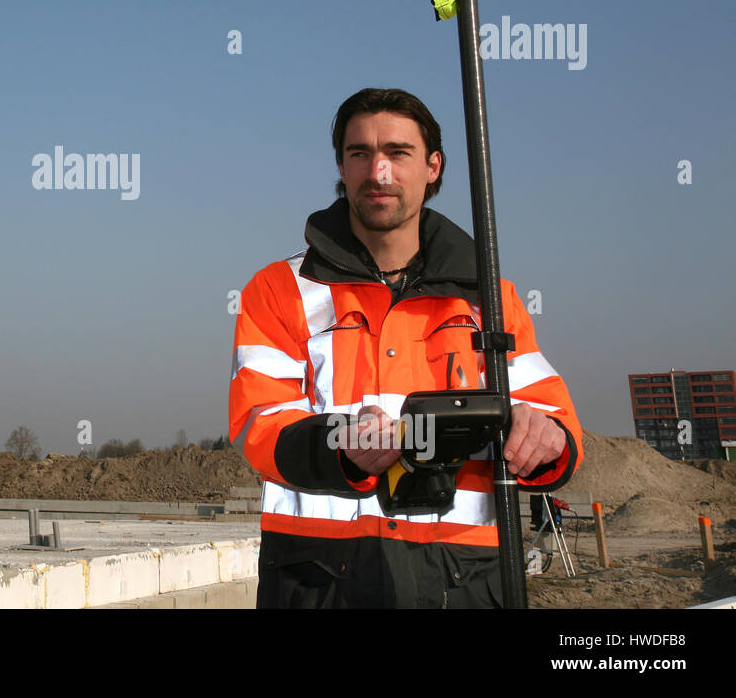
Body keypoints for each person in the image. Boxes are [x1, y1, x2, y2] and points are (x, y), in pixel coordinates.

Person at [229, 87, 582, 608]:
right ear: (342, 168)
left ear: (433, 166)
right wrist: (340, 448)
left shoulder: (491, 297)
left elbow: (554, 419)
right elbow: (258, 423)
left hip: (465, 579)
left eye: (398, 152)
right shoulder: (278, 289)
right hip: (319, 579)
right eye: (360, 154)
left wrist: (547, 439)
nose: (379, 172)